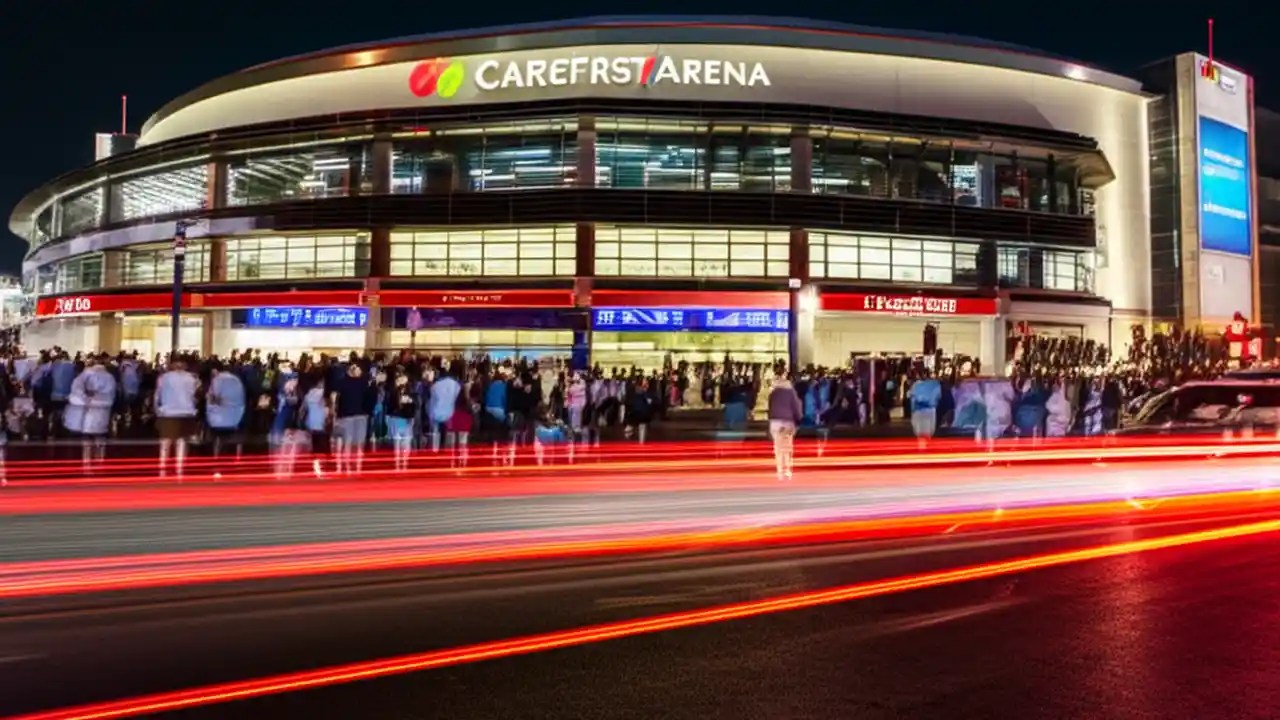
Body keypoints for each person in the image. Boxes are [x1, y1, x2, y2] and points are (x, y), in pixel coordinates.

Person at [155, 358, 199, 478]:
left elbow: (157, 396)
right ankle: (179, 469)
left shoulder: (163, 378)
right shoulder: (192, 378)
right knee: (182, 442)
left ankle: (162, 469)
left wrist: (157, 411)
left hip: (168, 413)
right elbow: (195, 397)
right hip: (186, 413)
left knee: (165, 443)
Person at [332, 363, 371, 475]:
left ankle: (357, 467)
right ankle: (348, 467)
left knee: (358, 443)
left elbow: (369, 394)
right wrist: (334, 412)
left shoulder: (362, 381)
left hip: (359, 415)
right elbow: (334, 397)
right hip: (347, 416)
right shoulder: (342, 381)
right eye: (355, 367)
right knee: (348, 443)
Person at [767, 374, 803, 481]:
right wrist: (799, 419)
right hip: (788, 421)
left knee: (778, 448)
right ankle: (788, 469)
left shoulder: (773, 393)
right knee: (787, 447)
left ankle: (779, 471)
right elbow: (797, 407)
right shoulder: (791, 392)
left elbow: (770, 408)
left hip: (775, 422)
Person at [206, 362, 247, 459]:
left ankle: (216, 456)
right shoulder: (237, 381)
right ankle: (237, 457)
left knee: (217, 437)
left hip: (219, 419)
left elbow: (212, 399)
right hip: (237, 417)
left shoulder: (216, 380)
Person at [386, 371, 417, 471]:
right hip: (405, 420)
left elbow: (389, 408)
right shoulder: (411, 393)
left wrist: (388, 420)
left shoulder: (392, 392)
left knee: (397, 443)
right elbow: (413, 408)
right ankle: (403, 463)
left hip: (396, 419)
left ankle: (398, 463)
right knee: (405, 443)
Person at [427, 368, 461, 452]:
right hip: (449, 412)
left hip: (436, 412)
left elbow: (432, 396)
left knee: (435, 432)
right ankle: (448, 450)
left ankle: (434, 450)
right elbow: (457, 397)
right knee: (449, 432)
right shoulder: (456, 385)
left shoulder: (435, 385)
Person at [908, 370, 942, 443]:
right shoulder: (935, 384)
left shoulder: (916, 385)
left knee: (920, 433)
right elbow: (938, 398)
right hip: (930, 411)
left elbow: (912, 398)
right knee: (928, 433)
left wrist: (912, 411)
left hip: (918, 412)